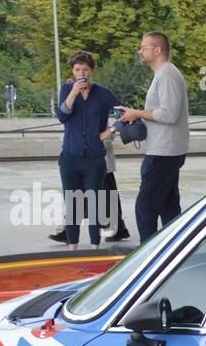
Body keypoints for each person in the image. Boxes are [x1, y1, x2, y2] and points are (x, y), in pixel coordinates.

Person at [116, 31, 189, 241]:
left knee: (145, 207)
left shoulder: (166, 74)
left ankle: (147, 257)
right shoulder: (164, 74)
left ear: (157, 50)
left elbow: (169, 114)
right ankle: (174, 252)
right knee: (169, 208)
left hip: (163, 152)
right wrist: (135, 114)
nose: (140, 51)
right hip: (167, 150)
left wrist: (137, 113)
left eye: (144, 47)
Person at [49, 51, 118, 249]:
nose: (82, 73)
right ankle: (73, 249)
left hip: (95, 159)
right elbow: (62, 117)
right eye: (78, 69)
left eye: (85, 69)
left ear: (91, 71)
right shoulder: (67, 89)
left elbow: (124, 112)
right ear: (72, 70)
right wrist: (73, 93)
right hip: (70, 156)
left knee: (95, 203)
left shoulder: (103, 93)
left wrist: (111, 130)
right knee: (72, 204)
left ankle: (95, 247)